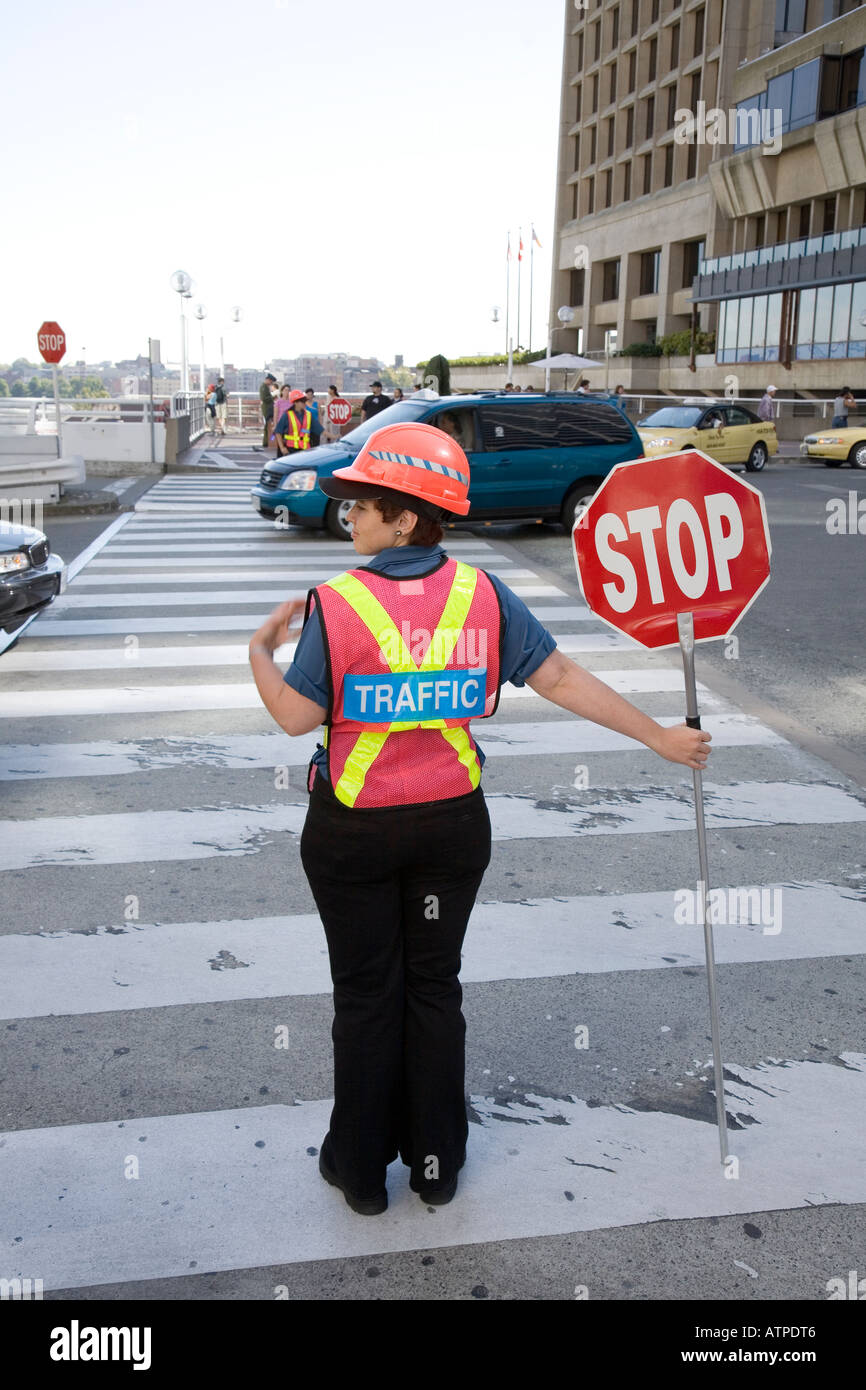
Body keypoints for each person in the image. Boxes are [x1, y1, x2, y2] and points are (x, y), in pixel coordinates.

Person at [247, 421, 712, 1216]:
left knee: (366, 996)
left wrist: (259, 651)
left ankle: (360, 1174)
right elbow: (560, 677)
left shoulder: (340, 602)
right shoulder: (482, 595)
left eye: (362, 501)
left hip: (355, 830)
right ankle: (436, 1168)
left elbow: (297, 719)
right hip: (452, 827)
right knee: (434, 987)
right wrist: (658, 737)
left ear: (405, 516)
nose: (349, 513)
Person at [275, 388, 322, 457]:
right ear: (295, 403)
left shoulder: (307, 414)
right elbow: (278, 431)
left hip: (304, 447)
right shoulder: (287, 414)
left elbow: (318, 427)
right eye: (302, 401)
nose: (304, 403)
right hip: (290, 448)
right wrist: (282, 448)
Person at [257, 372, 278, 450]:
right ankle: (266, 442)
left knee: (268, 425)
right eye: (271, 381)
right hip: (266, 408)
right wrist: (273, 397)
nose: (271, 383)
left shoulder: (266, 387)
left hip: (269, 407)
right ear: (268, 380)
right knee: (267, 425)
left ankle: (269, 441)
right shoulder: (263, 387)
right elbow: (264, 398)